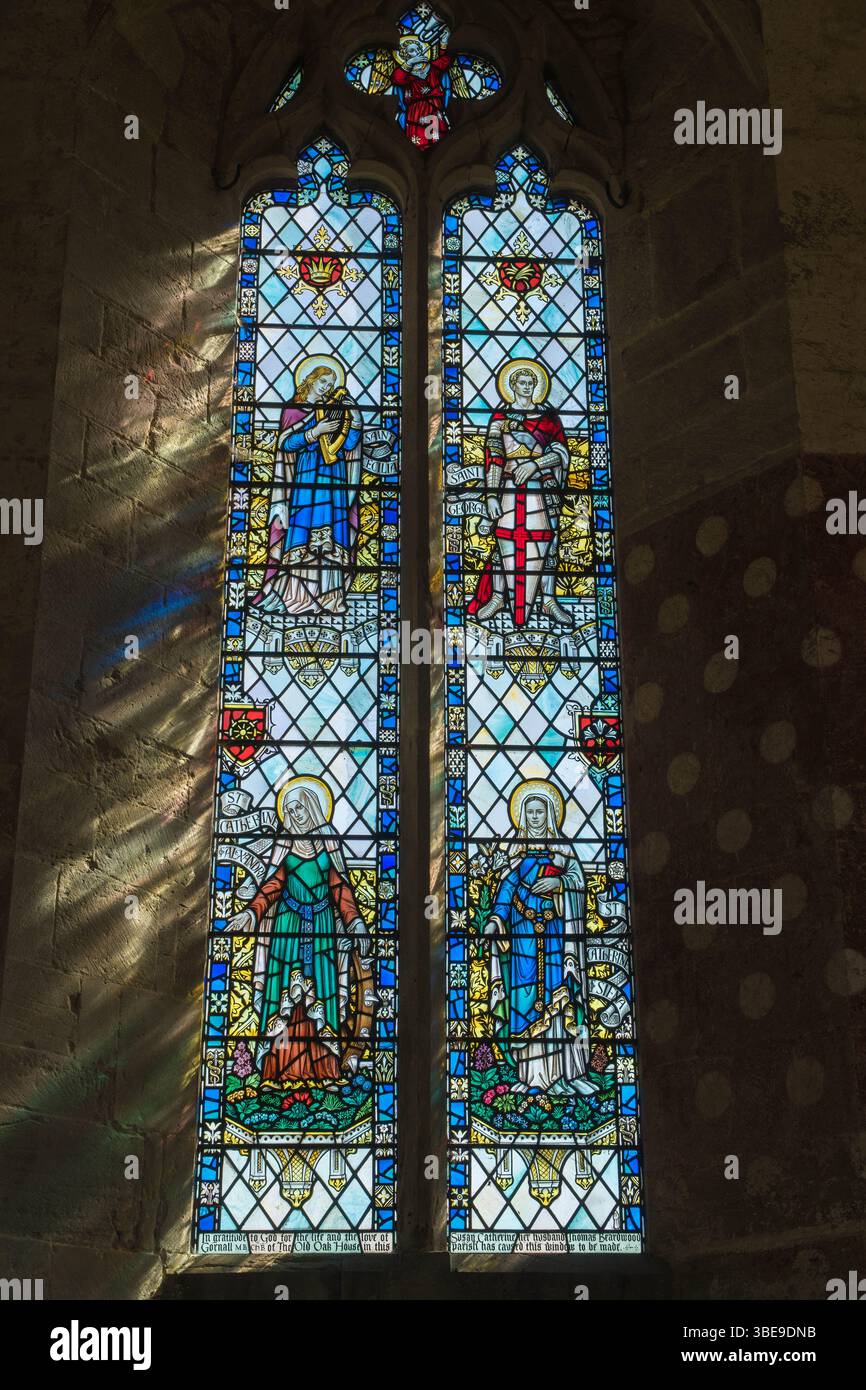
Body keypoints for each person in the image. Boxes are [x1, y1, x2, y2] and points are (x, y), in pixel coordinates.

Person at [226, 778, 374, 1086]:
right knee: (283, 1001)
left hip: (321, 930)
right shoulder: (286, 848)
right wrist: (251, 913)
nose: (296, 814)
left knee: (324, 998)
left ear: (312, 807)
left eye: (300, 807)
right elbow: (272, 885)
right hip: (288, 928)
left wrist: (355, 921)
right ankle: (274, 1073)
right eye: (290, 810)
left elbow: (339, 887)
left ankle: (326, 1072)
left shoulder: (326, 845)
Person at [483, 780, 595, 1095]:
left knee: (557, 996)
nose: (534, 818)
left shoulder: (563, 855)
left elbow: (578, 883)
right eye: (529, 812)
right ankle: (532, 1076)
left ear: (549, 816)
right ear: (522, 816)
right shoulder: (517, 857)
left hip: (557, 936)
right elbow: (506, 889)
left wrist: (559, 886)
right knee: (525, 999)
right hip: (523, 940)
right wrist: (495, 919)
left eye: (539, 812)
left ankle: (563, 1073)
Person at [253, 356, 363, 617]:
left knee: (332, 539)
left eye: (332, 382)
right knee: (303, 535)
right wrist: (315, 431)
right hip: (305, 478)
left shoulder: (336, 410)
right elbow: (286, 445)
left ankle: (331, 599)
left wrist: (355, 418)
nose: (327, 386)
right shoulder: (293, 410)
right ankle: (296, 597)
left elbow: (348, 445)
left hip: (334, 478)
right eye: (323, 380)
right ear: (310, 380)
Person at [469, 360, 572, 628]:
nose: (527, 387)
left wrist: (536, 464)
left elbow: (561, 453)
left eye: (530, 383)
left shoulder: (549, 419)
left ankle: (548, 600)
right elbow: (494, 457)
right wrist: (491, 495)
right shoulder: (500, 420)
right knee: (502, 541)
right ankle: (499, 597)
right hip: (508, 484)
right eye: (521, 383)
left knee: (548, 543)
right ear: (512, 386)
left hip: (543, 484)